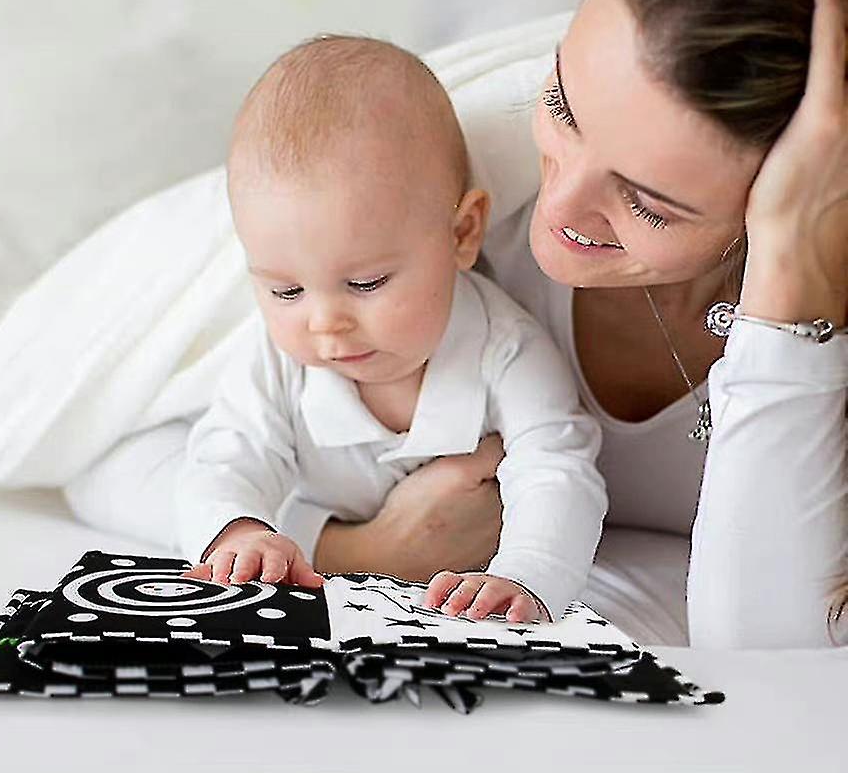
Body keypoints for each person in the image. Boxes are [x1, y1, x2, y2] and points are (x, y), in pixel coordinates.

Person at [59, 0, 846, 649]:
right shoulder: (419, 222)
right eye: (563, 106)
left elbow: (769, 658)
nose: (559, 210)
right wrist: (360, 551)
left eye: (648, 201)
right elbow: (107, 449)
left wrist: (790, 293)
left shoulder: (813, 304)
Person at [176, 35, 608, 626]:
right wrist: (239, 529)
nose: (325, 323)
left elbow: (556, 464)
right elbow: (225, 456)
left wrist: (527, 575)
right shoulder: (276, 361)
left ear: (461, 234)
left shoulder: (505, 349)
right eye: (286, 291)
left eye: (367, 282)